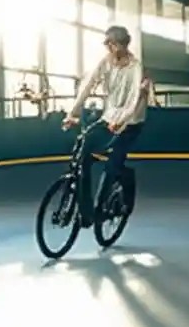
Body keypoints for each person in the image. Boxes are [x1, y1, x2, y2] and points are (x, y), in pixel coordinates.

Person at [63, 25, 148, 216]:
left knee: (112, 166)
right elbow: (88, 85)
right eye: (107, 45)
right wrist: (73, 113)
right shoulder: (106, 62)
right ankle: (85, 212)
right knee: (82, 154)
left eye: (113, 45)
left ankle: (119, 191)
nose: (109, 49)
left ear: (123, 45)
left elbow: (134, 99)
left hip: (131, 122)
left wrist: (122, 120)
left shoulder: (136, 68)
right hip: (108, 117)